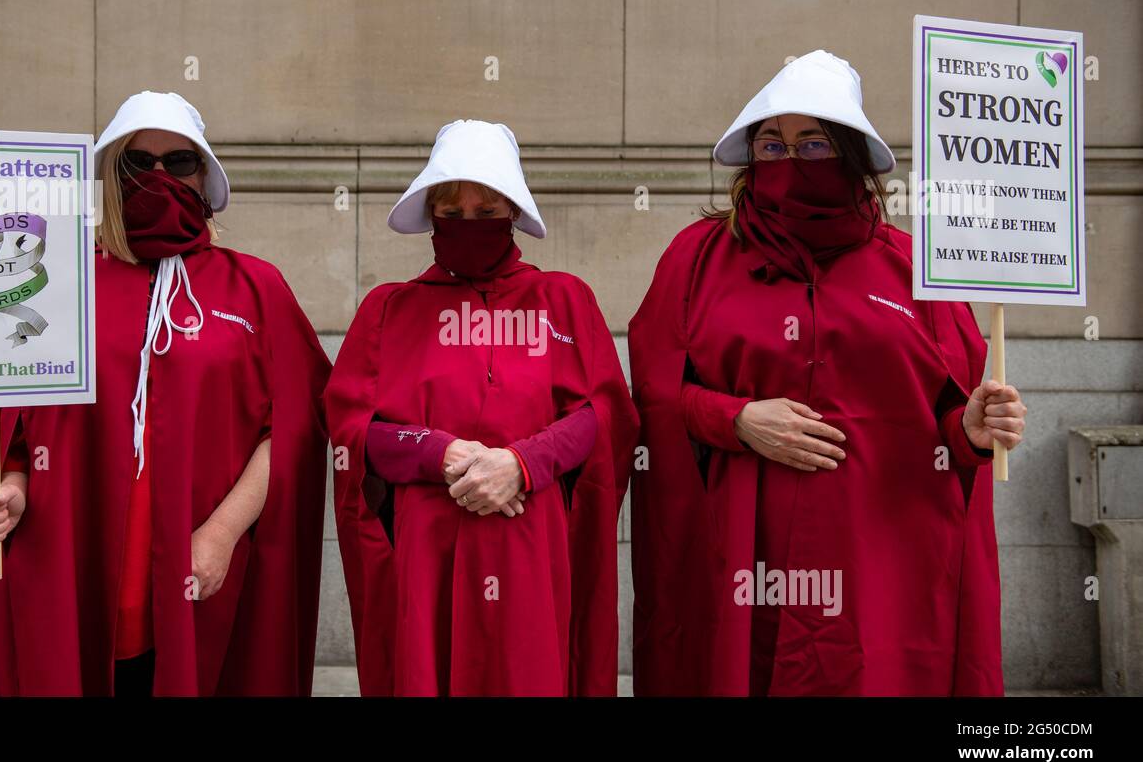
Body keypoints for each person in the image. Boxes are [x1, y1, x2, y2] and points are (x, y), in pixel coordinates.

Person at [629, 51, 1026, 696]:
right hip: (738, 558)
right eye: (772, 143)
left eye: (813, 142)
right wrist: (733, 418)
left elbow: (951, 421)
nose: (791, 160)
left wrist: (976, 430)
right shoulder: (695, 259)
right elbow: (651, 391)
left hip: (881, 563)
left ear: (849, 155)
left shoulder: (915, 268)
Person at [0, 91, 330, 696]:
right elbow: (25, 430)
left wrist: (220, 534)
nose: (158, 177)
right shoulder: (59, 283)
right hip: (80, 566)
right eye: (138, 164)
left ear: (204, 176)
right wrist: (10, 493)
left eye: (178, 162)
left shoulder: (255, 288)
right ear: (112, 176)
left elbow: (294, 427)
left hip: (202, 571)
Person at [326, 119, 639, 696]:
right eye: (454, 212)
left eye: (486, 210)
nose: (470, 225)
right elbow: (353, 428)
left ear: (513, 213)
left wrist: (522, 464)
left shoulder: (564, 300)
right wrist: (438, 452)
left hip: (531, 543)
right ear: (432, 217)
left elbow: (604, 415)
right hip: (426, 550)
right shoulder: (388, 309)